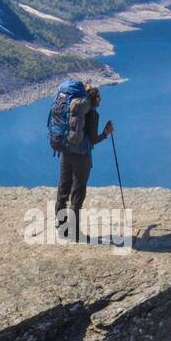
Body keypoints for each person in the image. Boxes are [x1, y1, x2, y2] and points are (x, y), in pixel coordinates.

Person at [55, 85, 113, 242]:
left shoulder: (71, 108)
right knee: (77, 194)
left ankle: (61, 228)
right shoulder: (93, 114)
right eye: (99, 97)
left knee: (63, 189)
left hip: (66, 152)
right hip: (82, 157)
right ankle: (74, 233)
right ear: (94, 98)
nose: (100, 99)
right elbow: (93, 139)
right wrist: (106, 133)